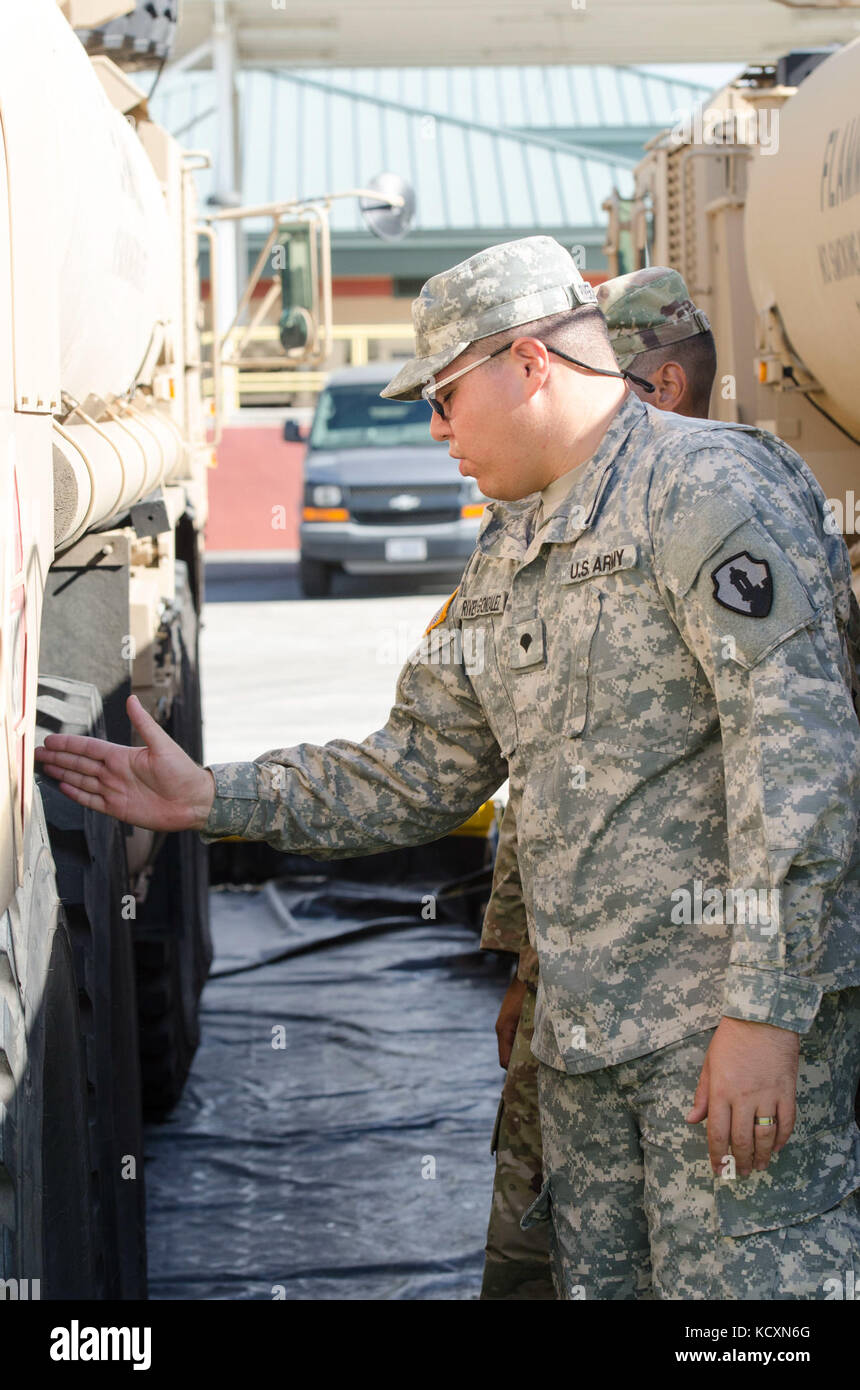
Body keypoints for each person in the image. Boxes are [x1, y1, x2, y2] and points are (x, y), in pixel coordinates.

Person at [35, 236, 860, 1300]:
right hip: (586, 1058)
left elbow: (795, 754)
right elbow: (418, 767)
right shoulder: (509, 550)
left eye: (443, 396)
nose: (434, 431)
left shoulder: (700, 489)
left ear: (527, 362)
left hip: (720, 1046)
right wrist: (210, 795)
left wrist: (763, 1013)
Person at [480, 265, 719, 1302]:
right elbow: (532, 775)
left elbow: (787, 774)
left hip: (694, 1018)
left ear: (656, 386)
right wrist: (519, 956)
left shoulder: (713, 511)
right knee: (551, 1251)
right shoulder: (532, 532)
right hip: (572, 1000)